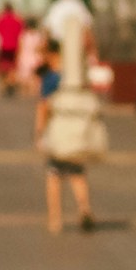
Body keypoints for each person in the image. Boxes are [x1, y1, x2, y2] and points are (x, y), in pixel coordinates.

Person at [34, 13, 105, 234]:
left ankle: (55, 219)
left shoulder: (51, 79)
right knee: (77, 174)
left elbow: (44, 107)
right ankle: (84, 208)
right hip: (77, 131)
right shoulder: (74, 74)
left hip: (58, 132)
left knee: (54, 176)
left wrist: (39, 132)